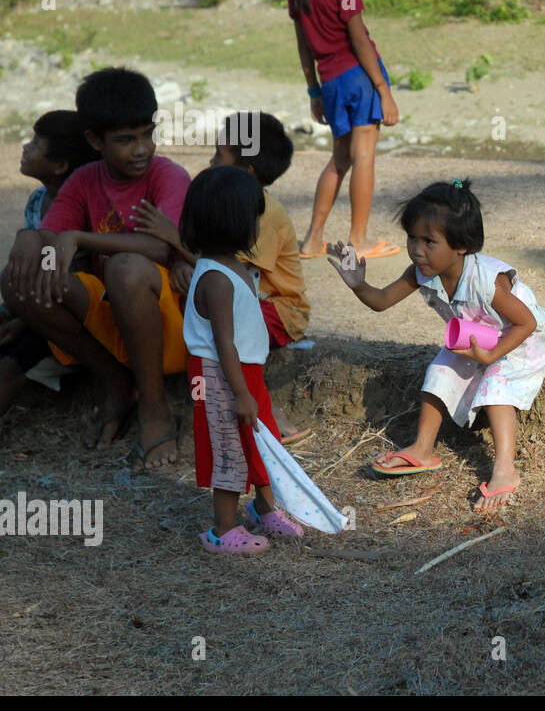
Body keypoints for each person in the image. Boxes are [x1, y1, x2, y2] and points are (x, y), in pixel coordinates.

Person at [0, 68, 190, 466]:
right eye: (125, 140)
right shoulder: (85, 180)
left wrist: (82, 238)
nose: (141, 149)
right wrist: (28, 238)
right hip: (111, 321)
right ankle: (114, 380)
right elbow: (51, 239)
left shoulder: (167, 176)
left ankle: (154, 406)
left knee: (126, 268)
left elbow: (158, 247)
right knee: (16, 283)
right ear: (94, 140)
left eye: (146, 134)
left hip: (167, 325)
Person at [328, 179, 545, 511]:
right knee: (439, 369)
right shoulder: (422, 272)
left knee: (496, 385)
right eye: (412, 238)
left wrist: (491, 355)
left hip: (518, 338)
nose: (417, 249)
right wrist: (358, 285)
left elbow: (527, 323)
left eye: (429, 241)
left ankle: (505, 469)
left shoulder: (488, 281)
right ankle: (422, 448)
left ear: (460, 245)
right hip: (474, 336)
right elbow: (380, 301)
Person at [132, 111, 312, 443]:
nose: (211, 161)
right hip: (248, 297)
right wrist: (184, 265)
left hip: (279, 309)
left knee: (226, 336)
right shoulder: (231, 205)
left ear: (246, 172)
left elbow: (231, 269)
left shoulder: (260, 212)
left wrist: (174, 239)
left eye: (219, 155)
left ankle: (268, 414)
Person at [181, 165, 303, 554]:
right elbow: (224, 344)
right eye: (255, 218)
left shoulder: (233, 266)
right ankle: (223, 529)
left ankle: (264, 509)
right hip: (221, 376)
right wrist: (240, 393)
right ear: (237, 223)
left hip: (244, 373)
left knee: (263, 440)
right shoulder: (215, 279)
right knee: (228, 446)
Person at [289, 0, 401, 262]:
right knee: (363, 156)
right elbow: (359, 41)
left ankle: (312, 240)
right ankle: (359, 240)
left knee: (340, 159)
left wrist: (313, 91)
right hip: (359, 77)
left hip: (331, 82)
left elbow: (303, 46)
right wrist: (384, 91)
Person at [0, 111, 99, 419]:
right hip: (32, 308)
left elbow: (58, 279)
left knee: (8, 369)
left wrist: (27, 320)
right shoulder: (37, 200)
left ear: (59, 165)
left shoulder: (83, 211)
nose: (25, 147)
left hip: (63, 320)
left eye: (36, 142)